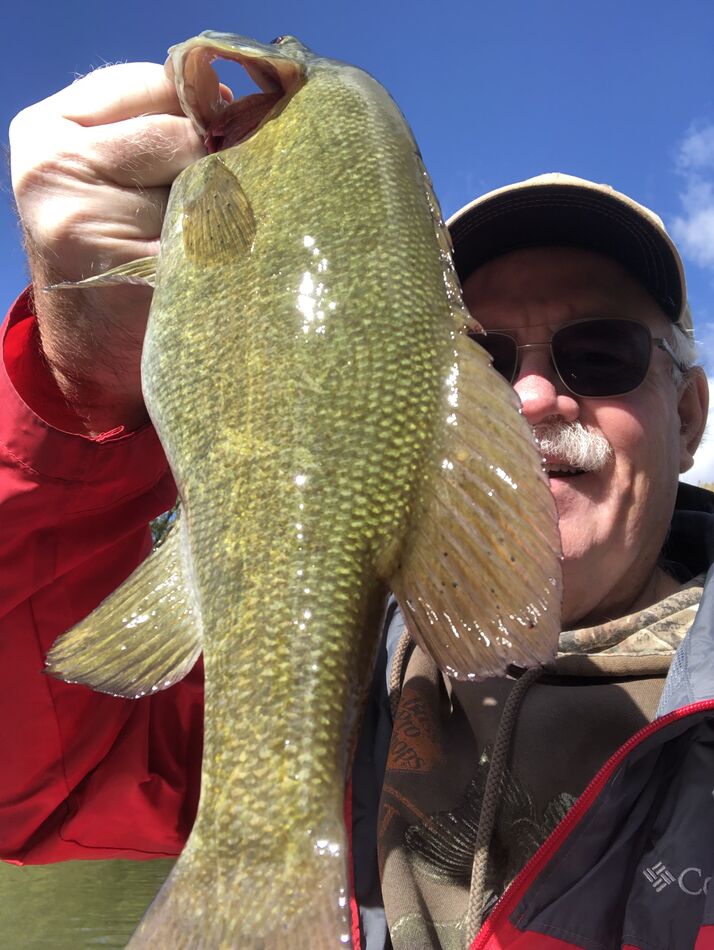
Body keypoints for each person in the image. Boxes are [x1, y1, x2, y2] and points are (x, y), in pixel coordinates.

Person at [2, 62, 713, 949]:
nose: (530, 398)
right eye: (479, 358)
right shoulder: (308, 666)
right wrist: (77, 390)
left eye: (598, 354)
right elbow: (31, 788)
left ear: (689, 417)